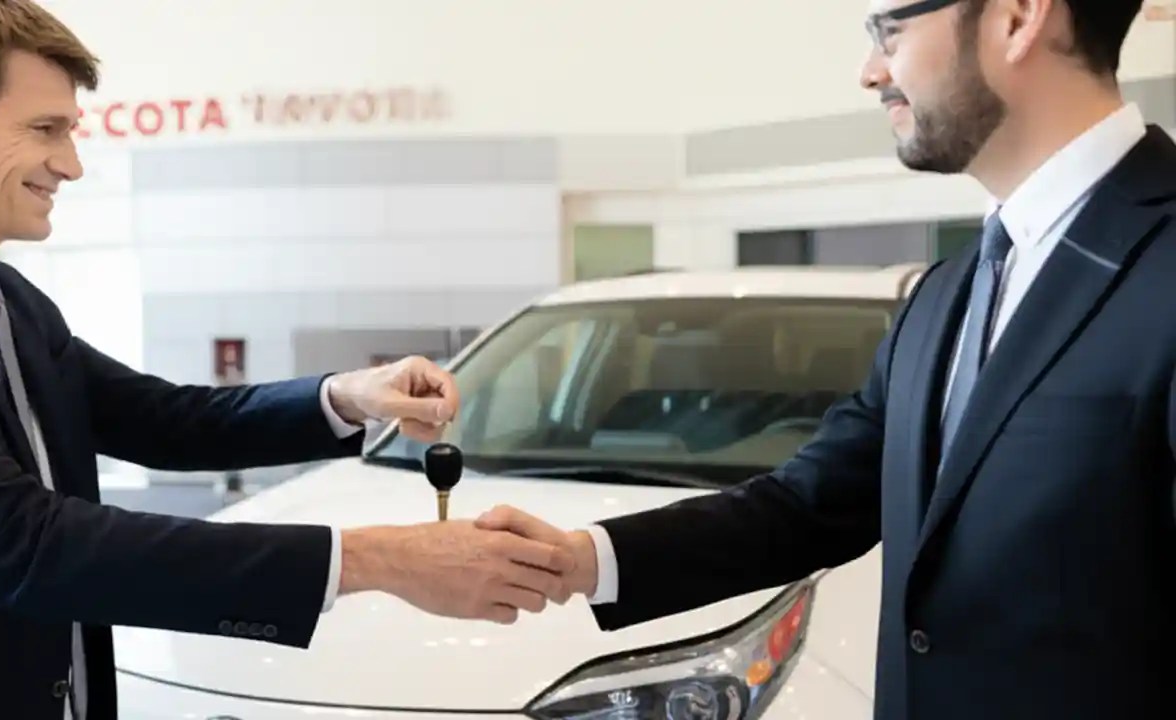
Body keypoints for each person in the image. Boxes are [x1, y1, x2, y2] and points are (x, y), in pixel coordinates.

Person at [478, 0, 1176, 717]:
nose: (870, 71)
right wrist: (581, 560)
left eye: (890, 31)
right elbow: (810, 504)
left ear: (1019, 17)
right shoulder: (947, 293)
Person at [0, 2, 572, 719]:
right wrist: (379, 559)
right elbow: (26, 546)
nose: (71, 163)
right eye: (44, 129)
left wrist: (348, 395)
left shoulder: (5, 300)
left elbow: (163, 420)